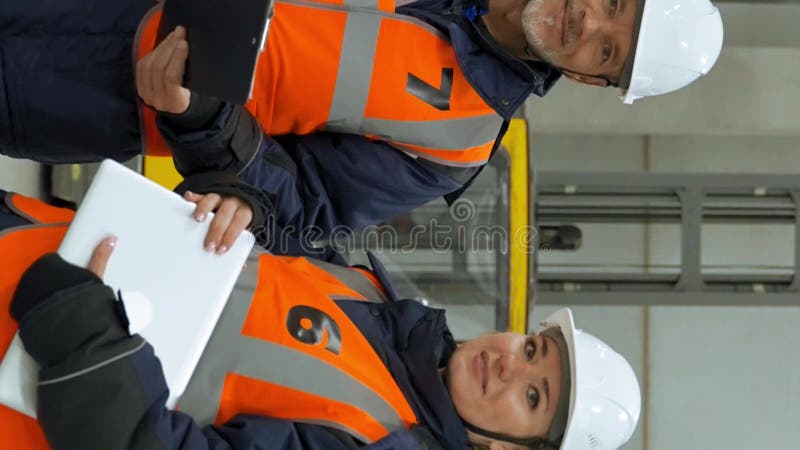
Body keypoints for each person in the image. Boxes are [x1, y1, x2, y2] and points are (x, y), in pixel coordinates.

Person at [0, 0, 724, 243]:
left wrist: (203, 119)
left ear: (592, 79)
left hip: (93, 91)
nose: (586, 20)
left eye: (607, 48)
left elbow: (301, 208)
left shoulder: (458, 138)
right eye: (613, 6)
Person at [0, 191, 641, 450]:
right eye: (532, 349)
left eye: (533, 395)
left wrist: (81, 329)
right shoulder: (373, 297)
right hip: (34, 238)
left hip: (26, 361)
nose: (509, 365)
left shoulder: (383, 435)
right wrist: (233, 203)